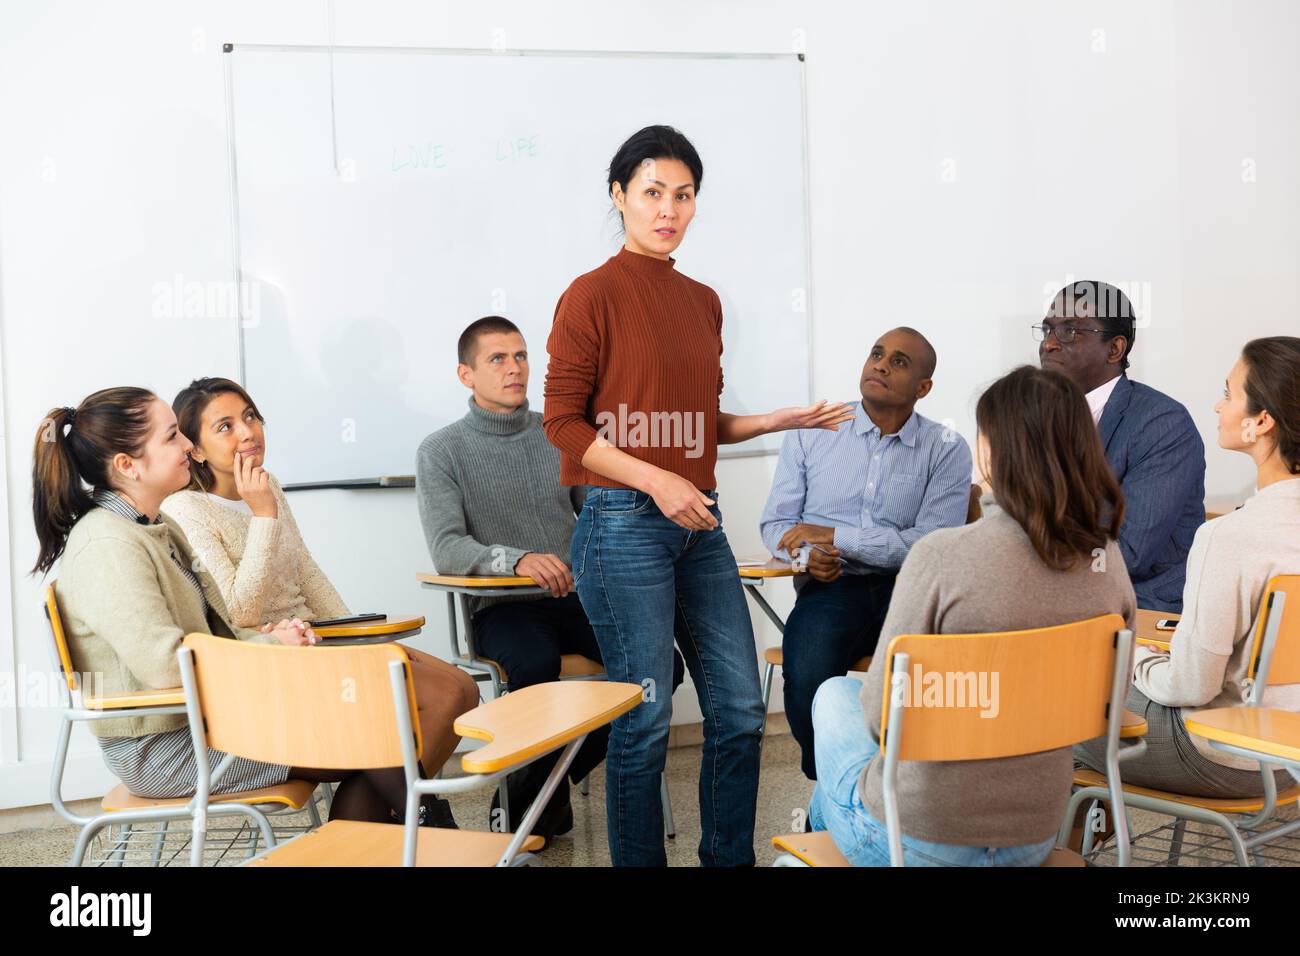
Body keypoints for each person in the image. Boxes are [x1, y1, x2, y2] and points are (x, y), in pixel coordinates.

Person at [543, 124, 853, 866]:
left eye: (683, 195)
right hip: (621, 524)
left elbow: (694, 423)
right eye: (652, 192)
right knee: (644, 722)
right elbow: (562, 421)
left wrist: (775, 420)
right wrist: (656, 479)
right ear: (619, 196)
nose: (668, 209)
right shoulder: (590, 295)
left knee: (743, 711)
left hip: (698, 520)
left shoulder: (703, 300)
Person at [31, 387, 430, 823]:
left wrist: (272, 638)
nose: (187, 445)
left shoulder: (155, 525)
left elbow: (221, 627)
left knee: (368, 725)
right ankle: (434, 835)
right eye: (171, 437)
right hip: (166, 748)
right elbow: (167, 665)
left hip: (206, 719)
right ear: (128, 466)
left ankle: (404, 842)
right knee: (366, 732)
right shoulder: (108, 545)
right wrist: (271, 649)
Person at [808, 366, 1136, 866]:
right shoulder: (1105, 559)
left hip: (917, 839)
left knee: (834, 697)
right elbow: (1113, 694)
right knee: (844, 706)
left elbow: (881, 720)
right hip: (1034, 837)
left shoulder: (941, 556)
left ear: (993, 449)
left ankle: (811, 847)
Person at [162, 377, 479, 827]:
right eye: (226, 426)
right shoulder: (188, 509)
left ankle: (384, 820)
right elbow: (239, 613)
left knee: (462, 690)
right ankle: (413, 820)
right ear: (194, 449)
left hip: (324, 644)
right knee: (431, 701)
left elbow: (307, 573)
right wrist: (262, 516)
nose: (248, 432)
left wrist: (357, 642)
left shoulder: (269, 489)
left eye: (251, 417)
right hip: (277, 663)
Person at [415, 316, 685, 840]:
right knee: (534, 664)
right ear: (465, 375)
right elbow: (448, 546)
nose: (514, 369)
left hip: (580, 597)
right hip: (504, 607)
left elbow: (600, 516)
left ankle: (540, 785)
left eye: (520, 356)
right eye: (497, 359)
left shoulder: (561, 435)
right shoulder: (441, 450)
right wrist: (516, 559)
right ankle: (544, 790)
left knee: (662, 668)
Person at [1077, 336, 1300, 797]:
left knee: (1048, 704)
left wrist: (1139, 657)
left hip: (1226, 754)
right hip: (1289, 753)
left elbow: (1190, 685)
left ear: (1262, 421)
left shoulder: (1228, 537)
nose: (1218, 407)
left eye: (1228, 393)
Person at [758, 328, 972, 779]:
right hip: (832, 586)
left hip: (913, 589)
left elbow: (931, 544)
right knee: (807, 680)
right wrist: (805, 557)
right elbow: (777, 525)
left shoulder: (946, 448)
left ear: (923, 388)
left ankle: (919, 793)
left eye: (898, 361)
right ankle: (837, 791)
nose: (880, 365)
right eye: (876, 354)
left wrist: (836, 536)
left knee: (949, 682)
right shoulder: (813, 431)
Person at [1036, 280, 1204, 611]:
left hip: (1140, 605)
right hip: (1058, 597)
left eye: (1070, 332)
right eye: (1047, 331)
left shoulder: (1162, 423)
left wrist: (1029, 573)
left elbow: (1129, 554)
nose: (1049, 344)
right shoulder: (1036, 414)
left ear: (1115, 349)